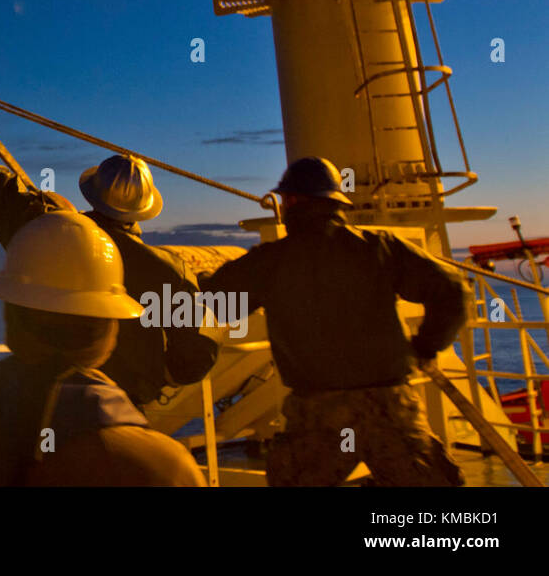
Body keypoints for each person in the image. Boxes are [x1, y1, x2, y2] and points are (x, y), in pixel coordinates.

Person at [0, 108, 205, 486]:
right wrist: (160, 373)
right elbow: (195, 355)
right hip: (131, 402)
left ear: (13, 313)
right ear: (106, 330)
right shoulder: (158, 467)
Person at [198, 156, 468, 486]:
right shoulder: (379, 247)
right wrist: (426, 347)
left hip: (317, 412)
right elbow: (453, 290)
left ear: (291, 201)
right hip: (389, 404)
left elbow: (217, 302)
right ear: (335, 201)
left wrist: (201, 278)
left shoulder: (270, 262)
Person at [79, 154, 219, 406]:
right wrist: (165, 376)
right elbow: (199, 350)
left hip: (55, 401)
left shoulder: (62, 247)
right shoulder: (169, 270)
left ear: (92, 194)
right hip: (126, 402)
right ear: (144, 209)